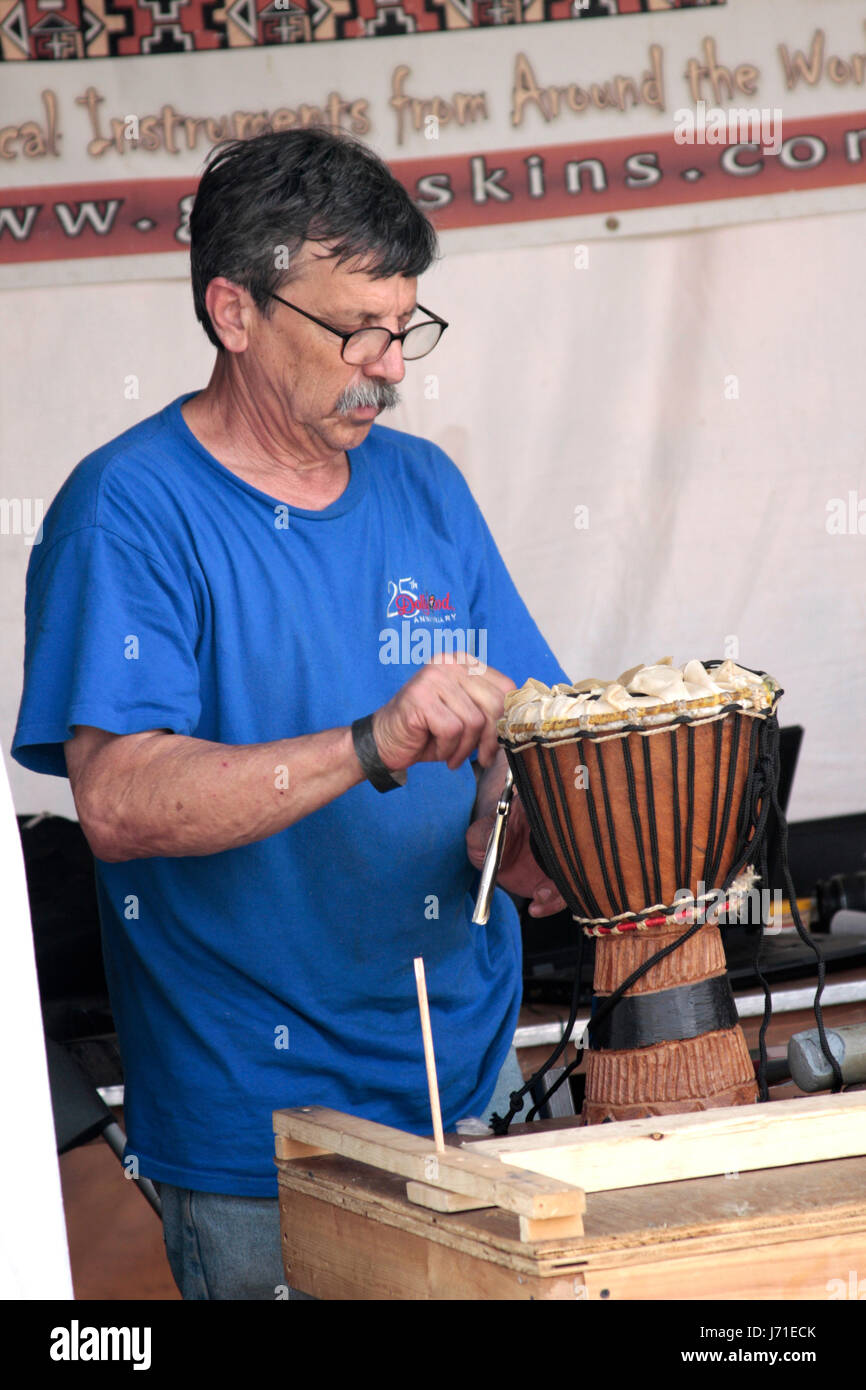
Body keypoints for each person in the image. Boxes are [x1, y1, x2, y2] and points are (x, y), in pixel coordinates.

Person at [12, 127, 570, 1300]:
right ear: (233, 310)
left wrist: (508, 820)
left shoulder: (426, 485)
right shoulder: (128, 509)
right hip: (264, 1139)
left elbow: (525, 737)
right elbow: (118, 802)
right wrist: (372, 742)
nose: (389, 365)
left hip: (464, 1086)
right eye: (352, 330)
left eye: (404, 325)